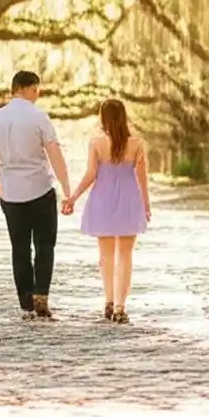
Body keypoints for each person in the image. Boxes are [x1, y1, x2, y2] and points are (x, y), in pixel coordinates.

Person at [0, 70, 73, 320]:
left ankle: (26, 303)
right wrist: (67, 190)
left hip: (11, 193)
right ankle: (41, 294)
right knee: (45, 245)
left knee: (19, 248)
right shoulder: (38, 117)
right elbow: (55, 155)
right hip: (40, 189)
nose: (37, 95)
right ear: (28, 89)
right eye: (36, 90)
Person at [63, 99, 151, 324]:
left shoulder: (96, 143)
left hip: (102, 199)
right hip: (129, 200)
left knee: (106, 256)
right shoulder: (137, 143)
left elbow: (91, 174)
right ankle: (121, 307)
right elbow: (142, 177)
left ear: (103, 118)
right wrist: (146, 203)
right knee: (126, 255)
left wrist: (73, 197)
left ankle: (109, 301)